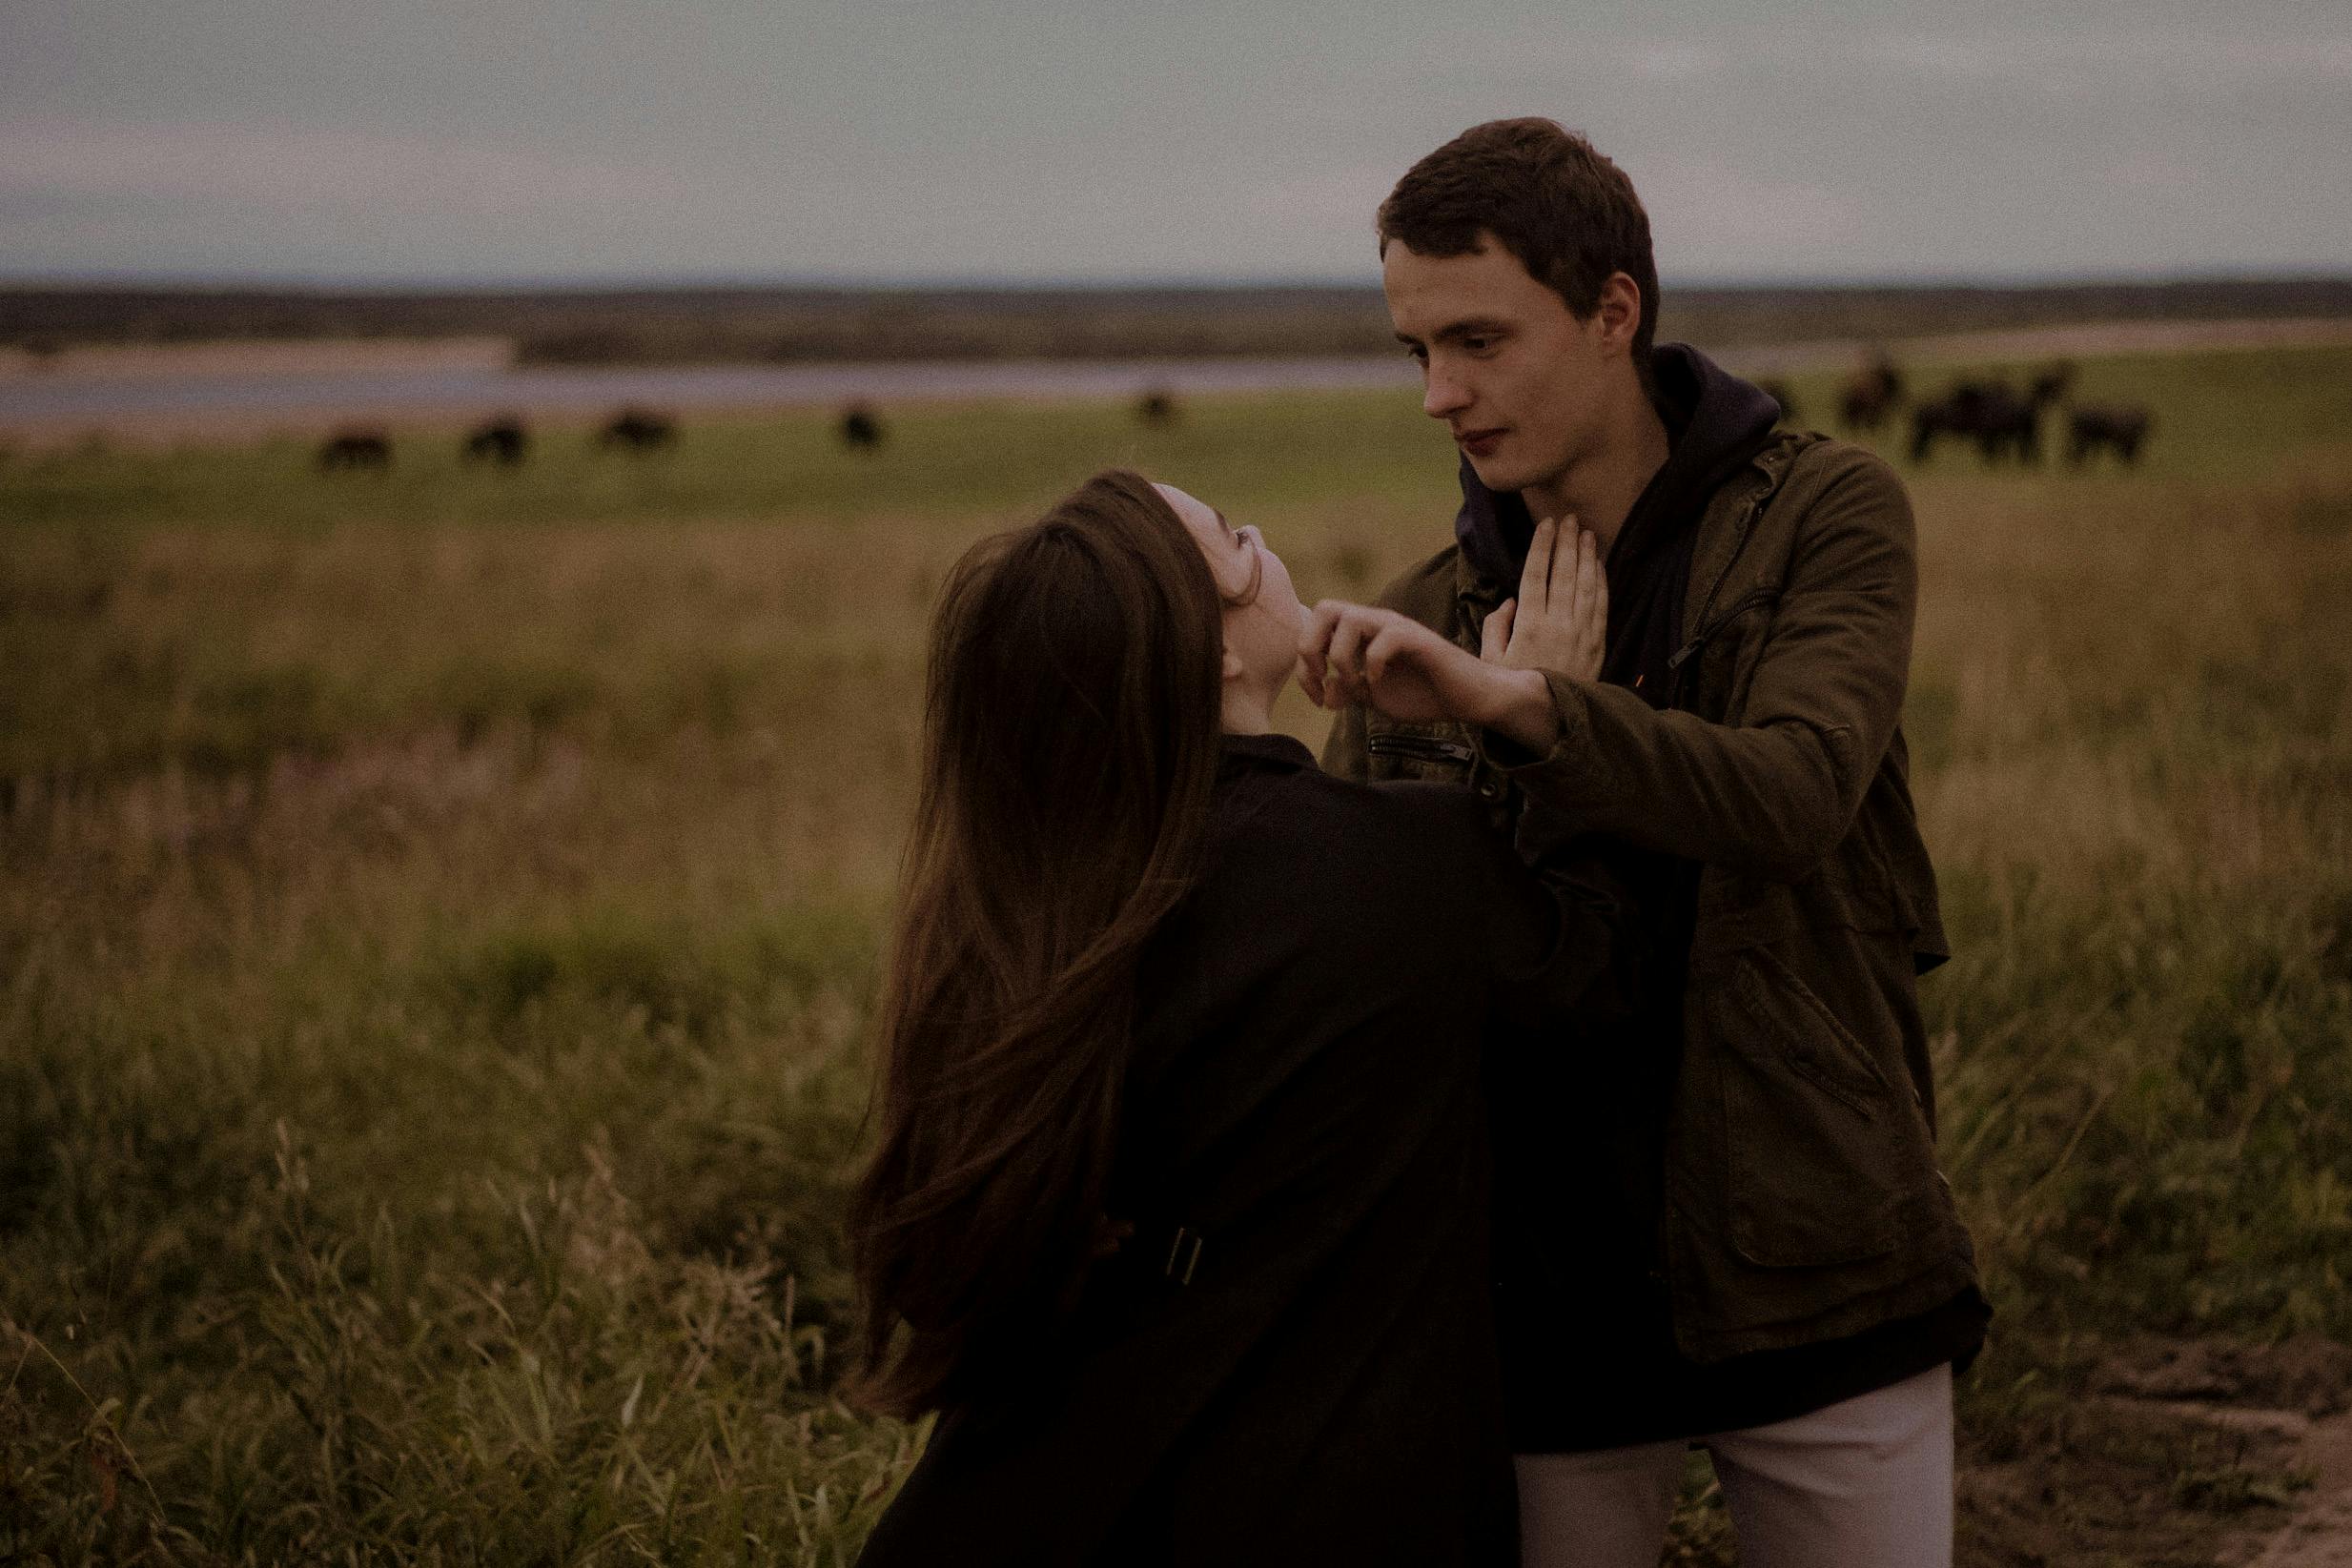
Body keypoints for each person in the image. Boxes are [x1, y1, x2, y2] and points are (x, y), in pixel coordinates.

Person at [1307, 118, 1988, 1567]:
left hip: (1815, 1250)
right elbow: (1402, 962)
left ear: (1613, 309)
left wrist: (1533, 711)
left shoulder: (1821, 512)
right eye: (1413, 350)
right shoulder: (1422, 614)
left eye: (1476, 339)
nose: (1437, 394)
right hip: (1536, 1286)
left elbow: (1793, 795)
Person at [848, 469, 1630, 1566]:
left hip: (1038, 1504)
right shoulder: (1404, 863)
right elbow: (1591, 980)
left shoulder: (1026, 907)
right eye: (1237, 540)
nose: (1266, 541)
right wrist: (1541, 713)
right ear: (1213, 654)